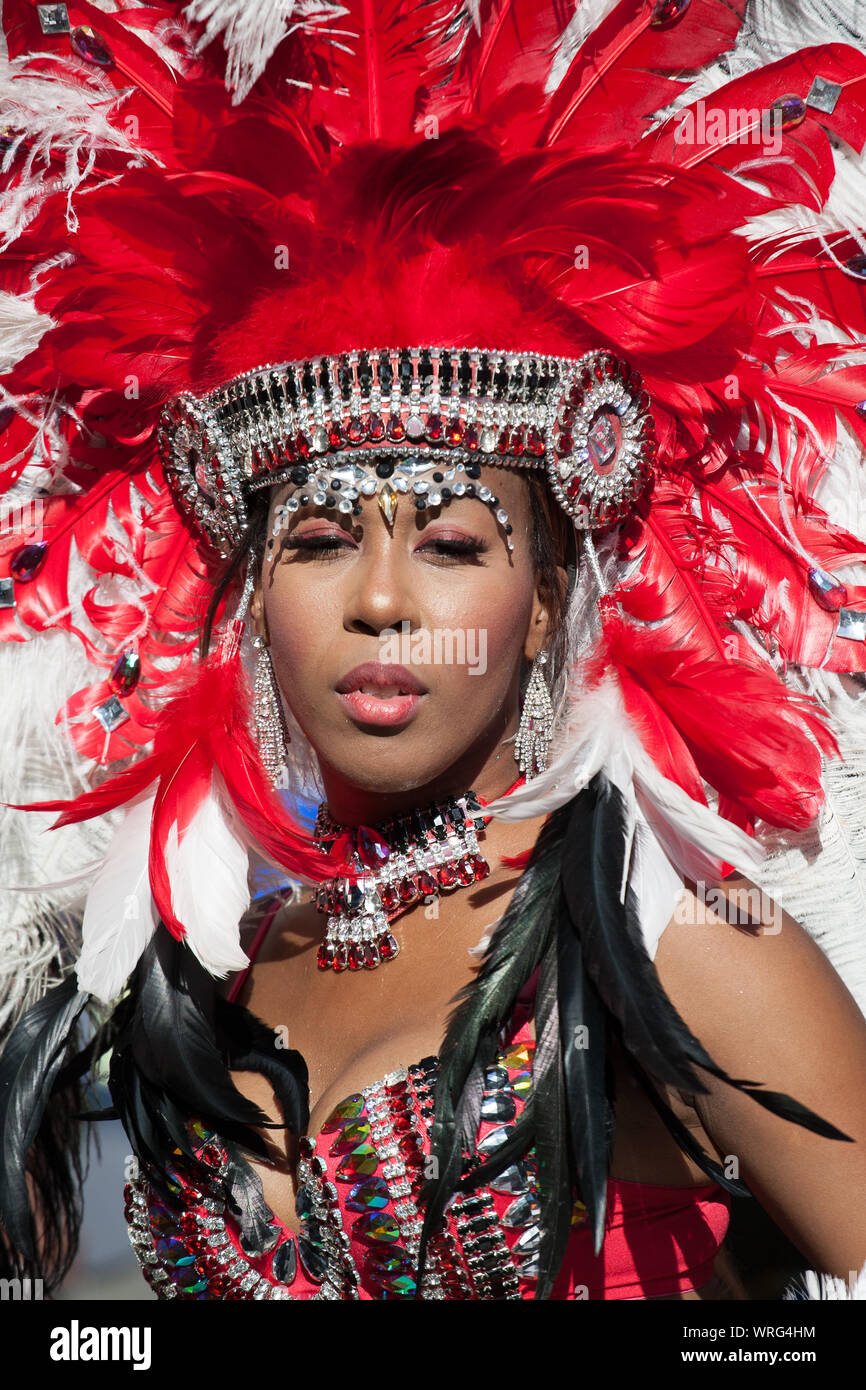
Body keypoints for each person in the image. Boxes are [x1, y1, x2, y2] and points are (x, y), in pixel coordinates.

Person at [2, 0, 866, 1303]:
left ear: (541, 600)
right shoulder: (211, 952)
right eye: (317, 542)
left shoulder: (679, 939)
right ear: (248, 598)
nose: (384, 602)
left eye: (454, 544)